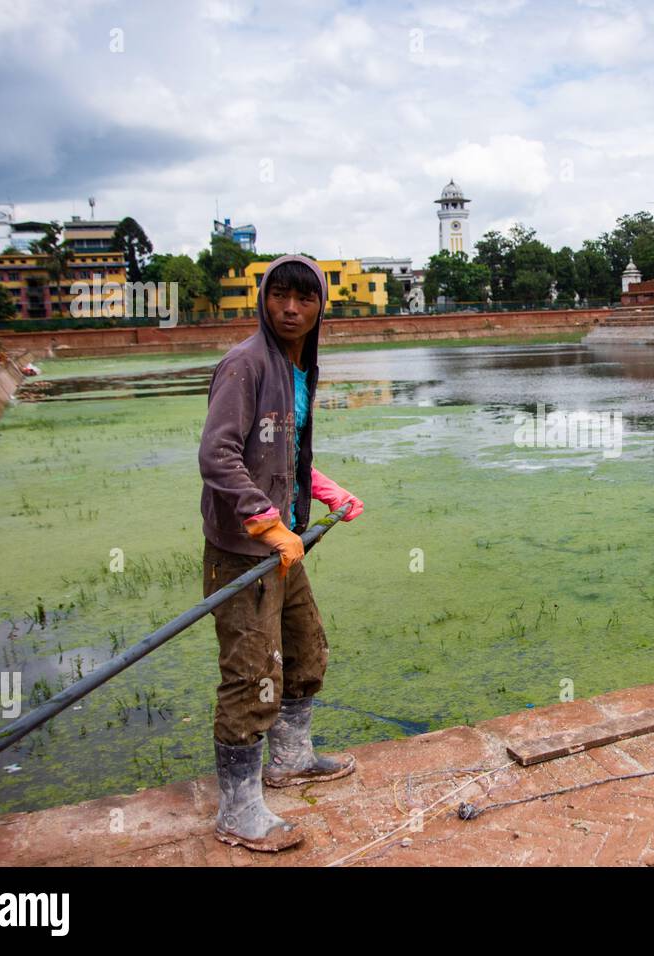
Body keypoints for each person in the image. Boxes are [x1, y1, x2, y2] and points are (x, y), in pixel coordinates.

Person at [199, 254, 364, 852]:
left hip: (283, 546)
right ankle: (239, 811)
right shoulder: (244, 364)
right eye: (279, 297)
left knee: (304, 647)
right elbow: (218, 456)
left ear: (321, 308)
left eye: (305, 299)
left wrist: (320, 488)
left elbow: (279, 449)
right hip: (244, 552)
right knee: (251, 674)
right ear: (263, 300)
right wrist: (266, 524)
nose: (291, 309)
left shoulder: (298, 365)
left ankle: (291, 760)